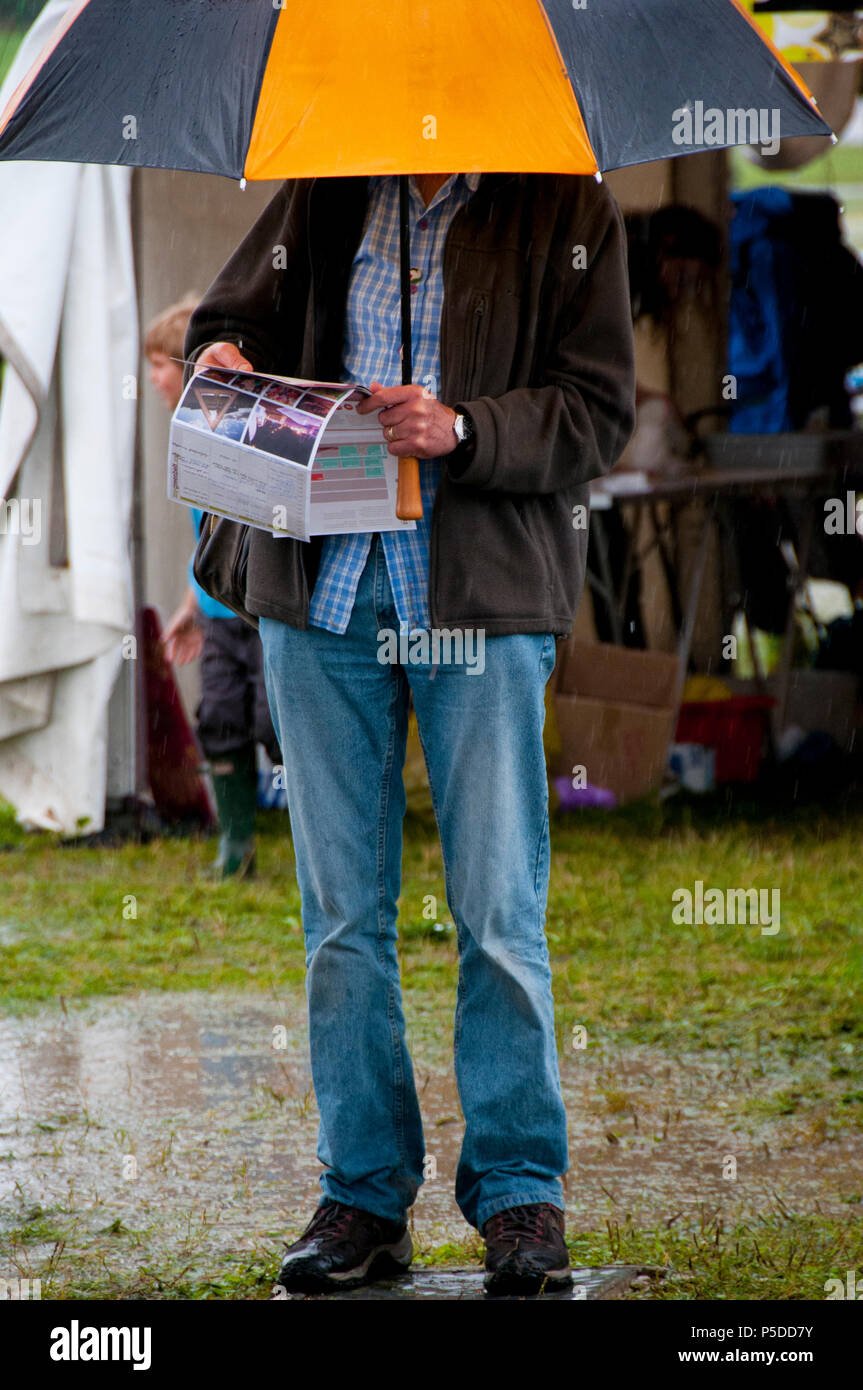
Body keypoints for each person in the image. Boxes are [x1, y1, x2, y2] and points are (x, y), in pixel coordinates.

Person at [185, 170, 635, 1295]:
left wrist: (463, 427)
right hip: (321, 594)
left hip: (478, 600)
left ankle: (521, 1194)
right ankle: (363, 1196)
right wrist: (220, 359)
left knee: (495, 910)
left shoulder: (564, 208)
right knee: (341, 916)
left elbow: (598, 411)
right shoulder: (326, 191)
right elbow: (224, 322)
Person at [146, 295, 281, 878]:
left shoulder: (240, 432)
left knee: (277, 727)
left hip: (263, 614)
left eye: (158, 365)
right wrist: (188, 607)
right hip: (216, 616)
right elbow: (206, 541)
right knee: (221, 723)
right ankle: (237, 849)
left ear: (192, 369)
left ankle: (323, 855)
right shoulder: (185, 436)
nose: (150, 380)